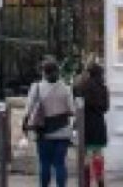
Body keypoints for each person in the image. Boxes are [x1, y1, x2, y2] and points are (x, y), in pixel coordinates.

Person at [25, 57, 76, 187]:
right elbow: (72, 109)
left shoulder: (36, 87)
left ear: (43, 72)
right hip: (63, 131)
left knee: (45, 163)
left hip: (44, 131)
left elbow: (29, 108)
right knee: (60, 164)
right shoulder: (66, 88)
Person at [73, 59, 109, 187]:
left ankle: (86, 182)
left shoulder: (82, 86)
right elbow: (106, 108)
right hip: (98, 123)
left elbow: (76, 103)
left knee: (85, 155)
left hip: (85, 123)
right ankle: (100, 180)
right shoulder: (103, 88)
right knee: (98, 153)